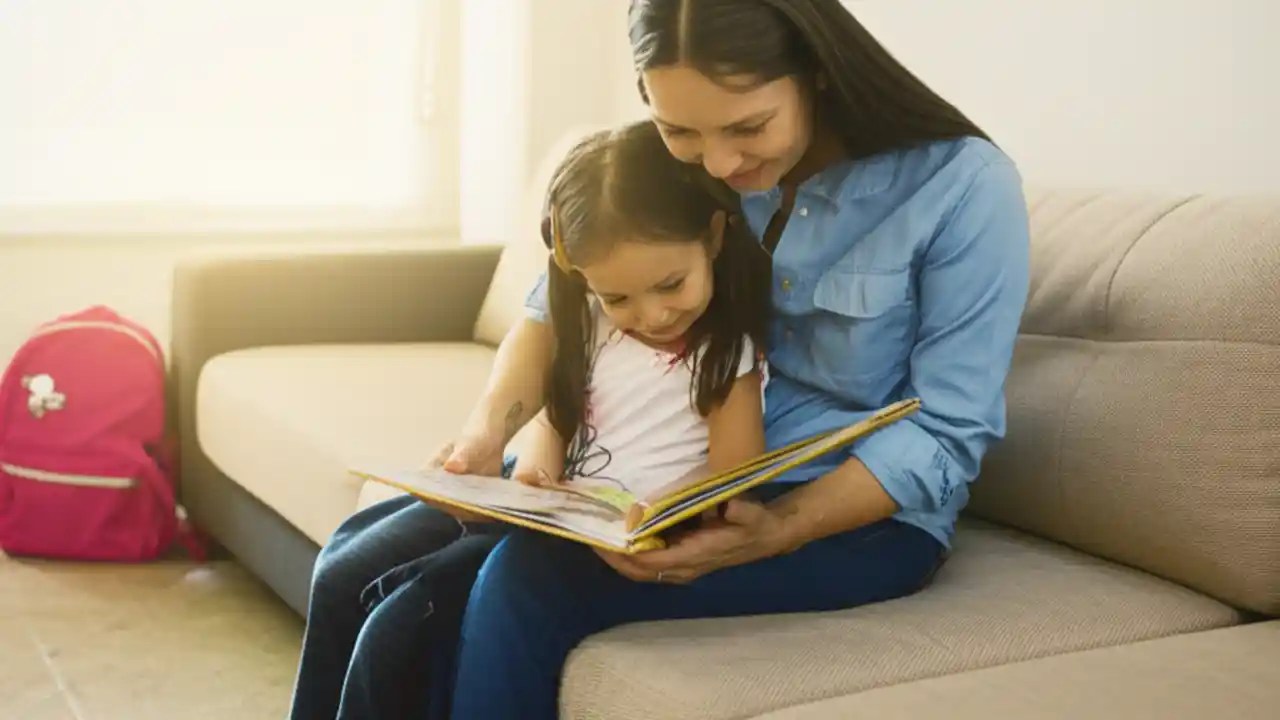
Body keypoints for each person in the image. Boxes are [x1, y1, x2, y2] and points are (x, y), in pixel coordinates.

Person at [291, 0, 1031, 717]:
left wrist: (779, 529)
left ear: (819, 69)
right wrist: (490, 434)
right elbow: (554, 310)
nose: (719, 161)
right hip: (650, 470)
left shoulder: (961, 187)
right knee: (360, 556)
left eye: (749, 128)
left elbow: (945, 433)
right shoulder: (677, 158)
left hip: (848, 512)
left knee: (498, 589)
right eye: (681, 130)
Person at [290, 120, 774, 720]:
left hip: (613, 540)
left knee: (402, 621)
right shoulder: (587, 323)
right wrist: (533, 473)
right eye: (618, 298)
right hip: (549, 516)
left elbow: (736, 473)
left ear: (716, 235)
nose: (651, 314)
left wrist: (658, 511)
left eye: (670, 284)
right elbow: (559, 417)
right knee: (344, 565)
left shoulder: (726, 352)